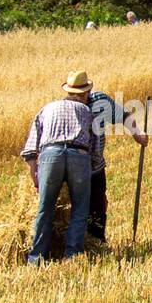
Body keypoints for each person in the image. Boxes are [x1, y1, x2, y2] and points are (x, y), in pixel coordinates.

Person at [20, 71, 101, 264]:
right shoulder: (88, 113)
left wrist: (36, 179)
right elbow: (96, 149)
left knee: (45, 208)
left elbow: (30, 149)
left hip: (50, 155)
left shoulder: (47, 108)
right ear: (85, 94)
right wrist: (93, 170)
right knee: (80, 209)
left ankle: (36, 257)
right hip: (79, 156)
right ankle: (72, 256)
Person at [85, 90, 149, 243]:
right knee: (81, 208)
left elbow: (124, 115)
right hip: (77, 167)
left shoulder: (99, 100)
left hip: (96, 165)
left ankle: (97, 243)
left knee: (99, 205)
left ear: (87, 91)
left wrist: (137, 133)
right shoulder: (69, 107)